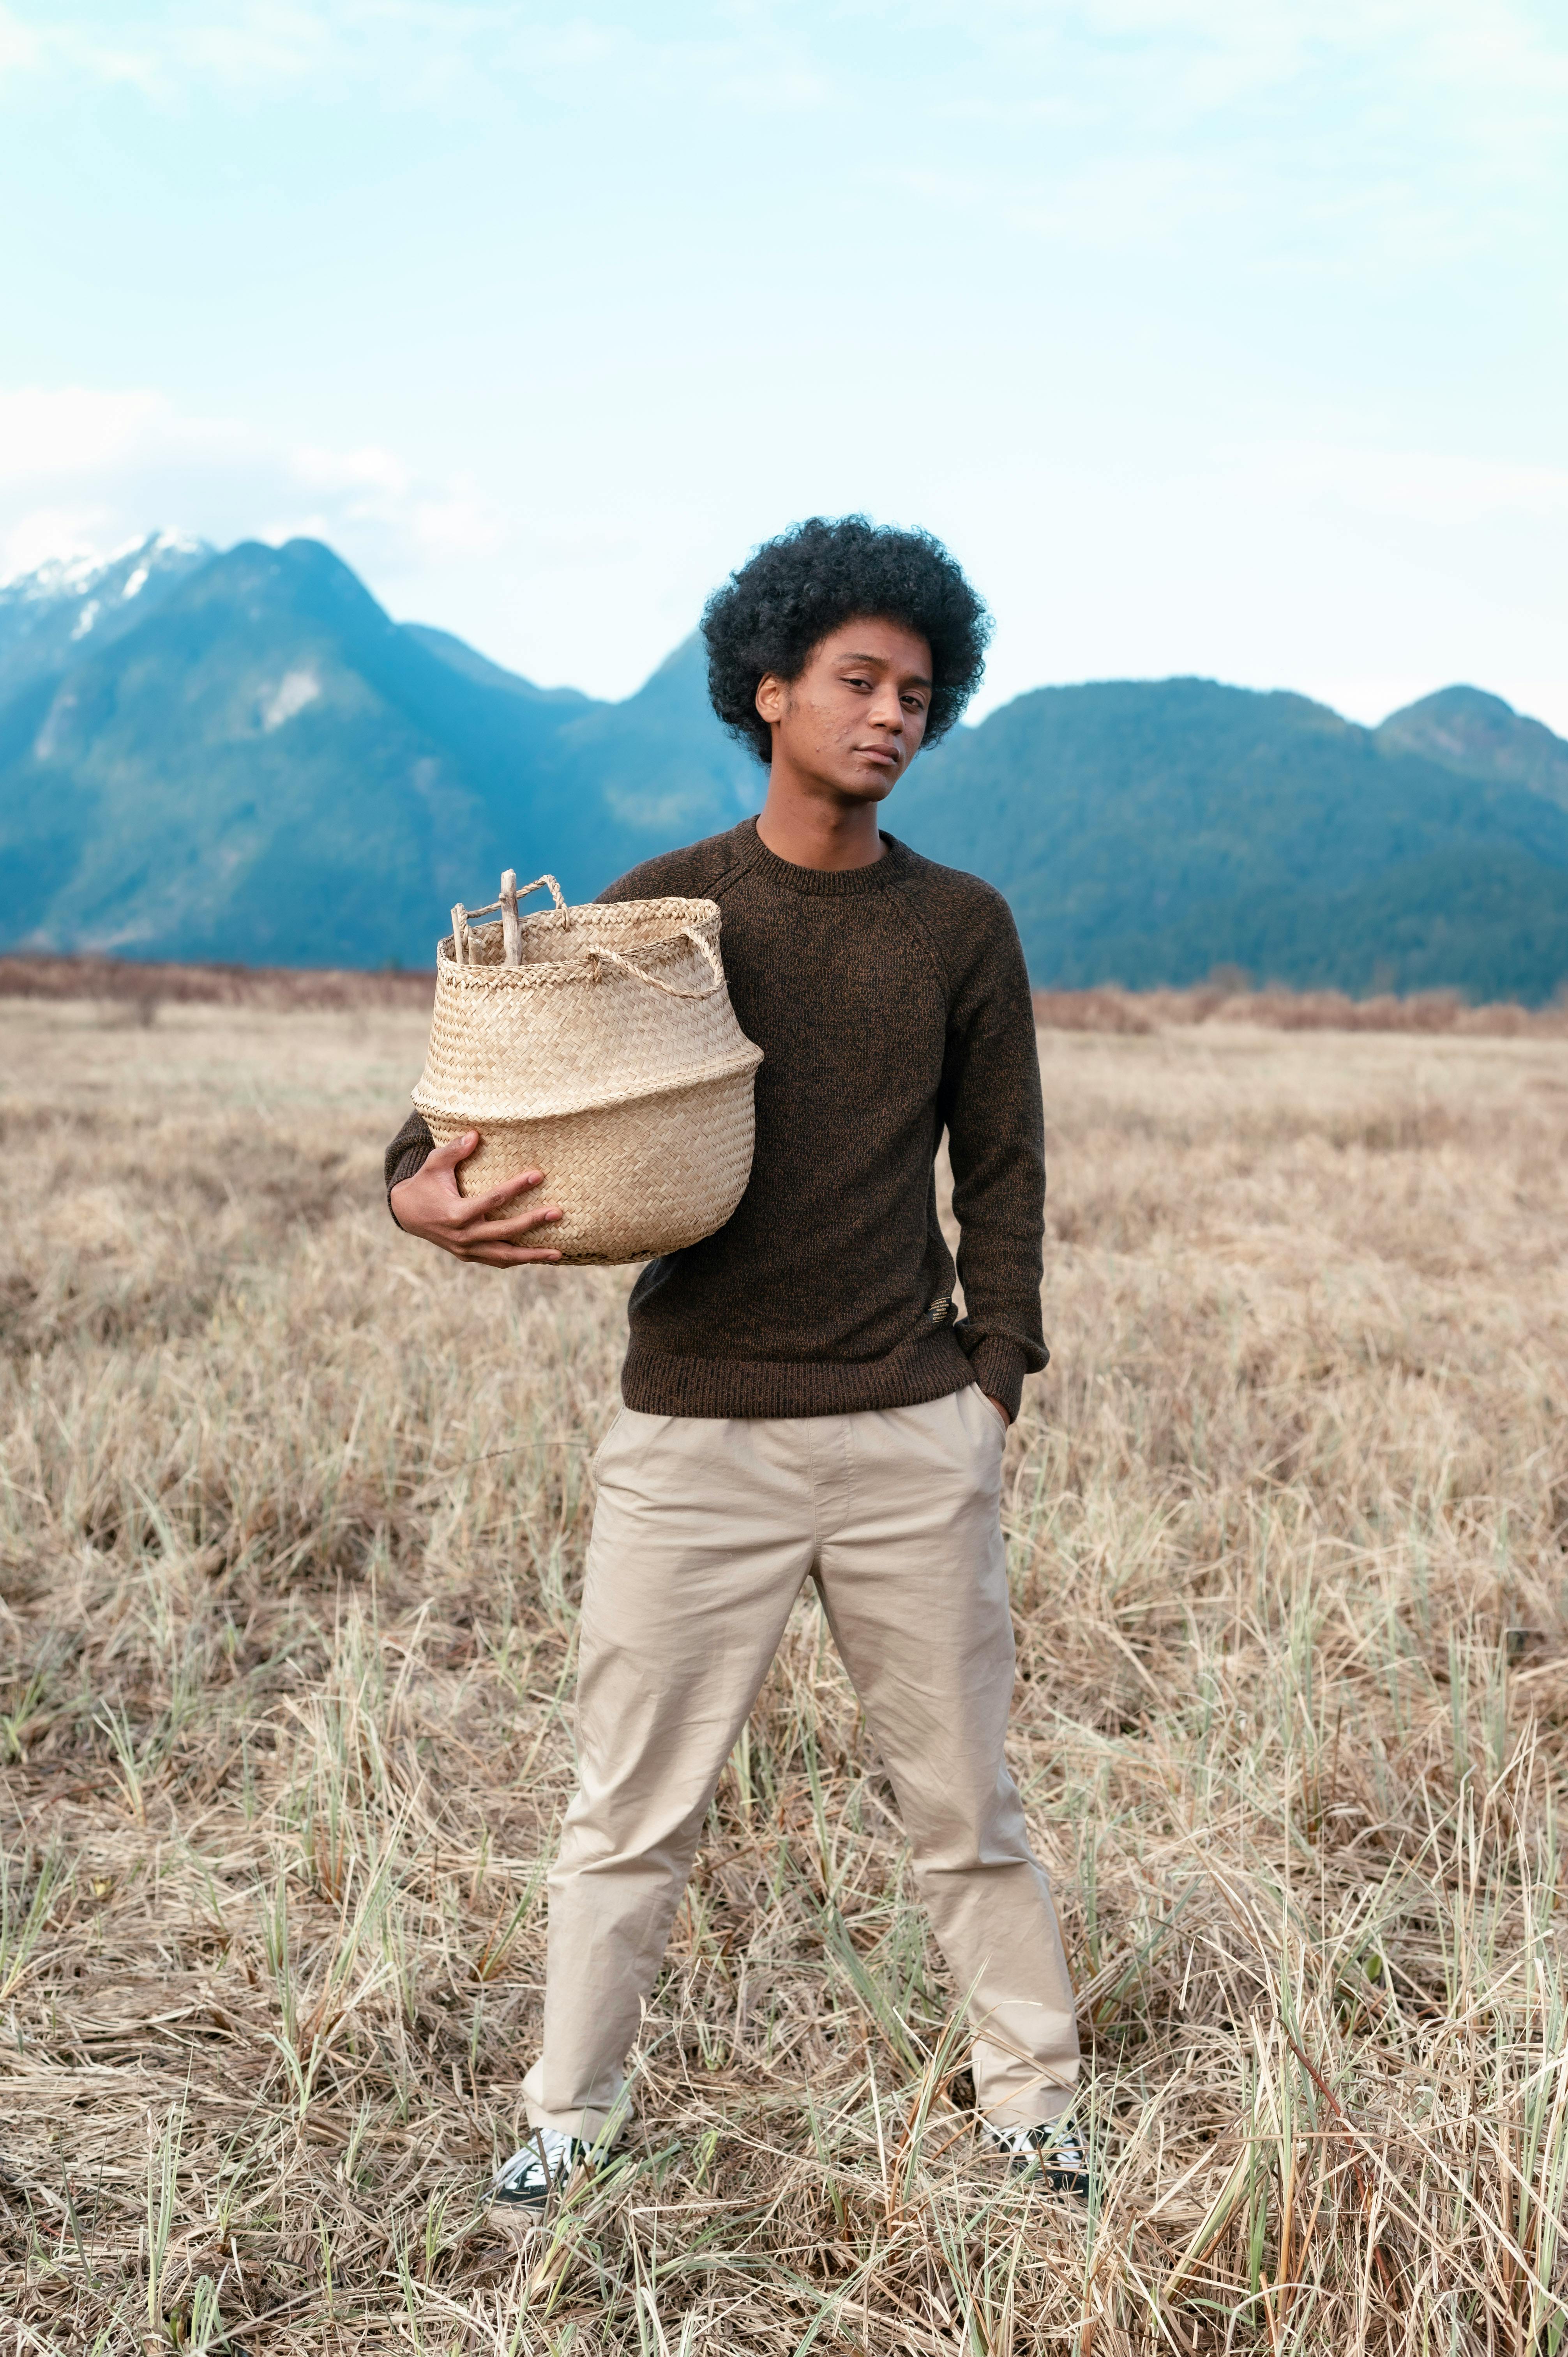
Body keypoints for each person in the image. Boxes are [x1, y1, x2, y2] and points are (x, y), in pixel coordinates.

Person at [383, 516, 1085, 2226]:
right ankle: (570, 2118)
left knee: (967, 1806)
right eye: (857, 681)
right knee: (628, 1813)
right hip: (693, 1440)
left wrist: (992, 1374)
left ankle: (1034, 2109)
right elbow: (467, 1101)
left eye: (918, 691)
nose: (892, 715)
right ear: (769, 691)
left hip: (912, 1436)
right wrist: (412, 1189)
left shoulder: (961, 926)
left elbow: (1001, 1169)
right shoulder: (664, 911)